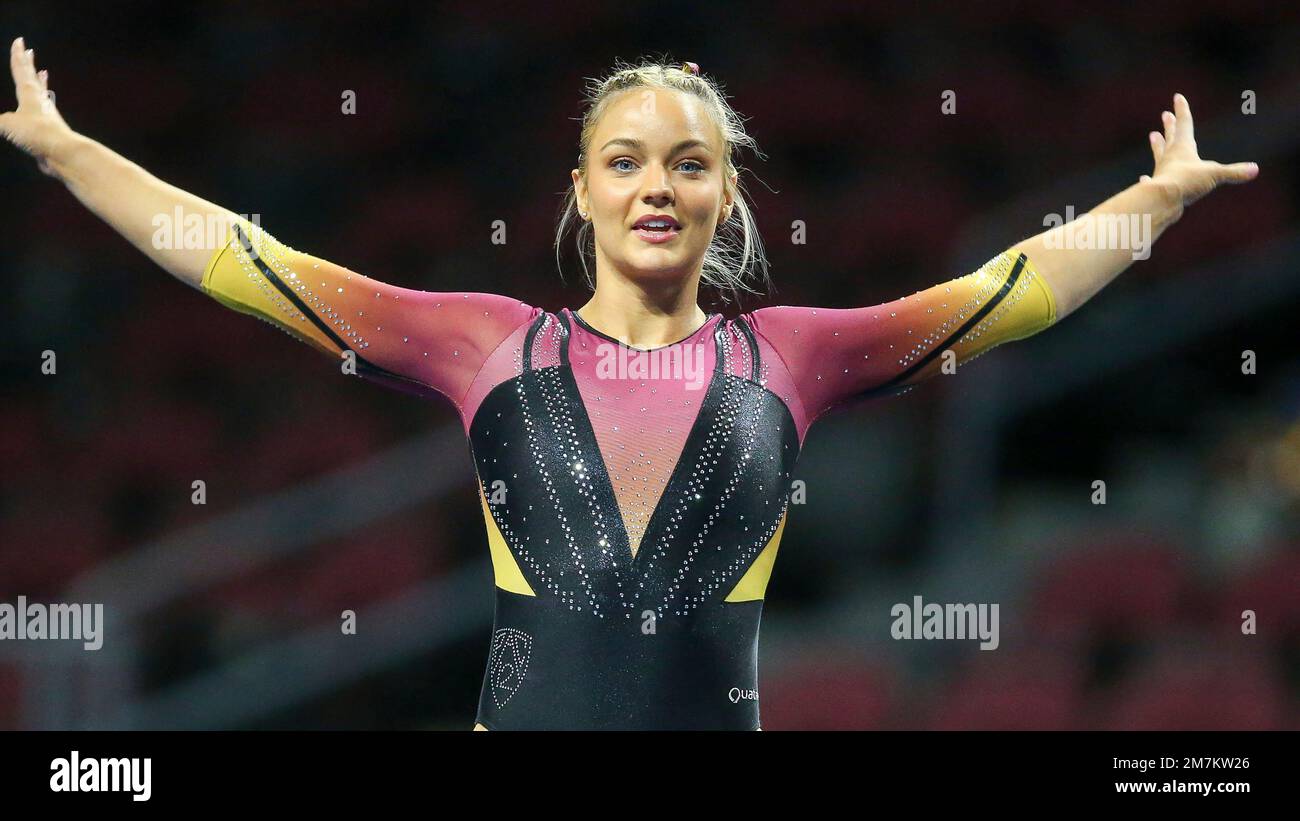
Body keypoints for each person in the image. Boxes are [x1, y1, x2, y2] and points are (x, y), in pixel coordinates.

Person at [1, 40, 1259, 729]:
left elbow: (1007, 291)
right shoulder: (482, 342)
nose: (657, 183)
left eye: (690, 163)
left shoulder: (793, 356)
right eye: (625, 159)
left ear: (725, 196)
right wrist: (72, 157)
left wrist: (1152, 201)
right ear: (583, 192)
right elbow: (247, 262)